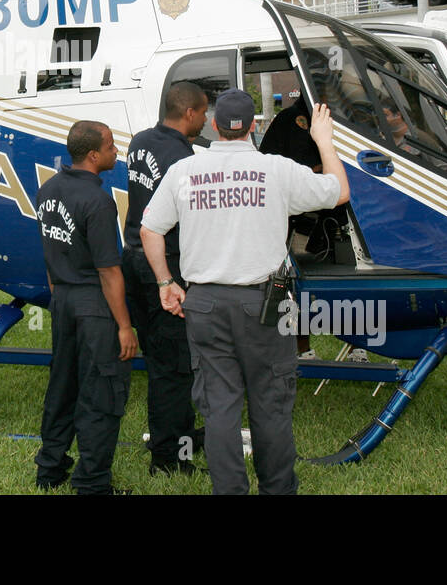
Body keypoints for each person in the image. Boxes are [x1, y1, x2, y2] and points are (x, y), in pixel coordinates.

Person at [140, 90, 349, 495]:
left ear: (213, 126)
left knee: (219, 408)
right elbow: (338, 191)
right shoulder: (276, 169)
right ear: (254, 126)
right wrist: (323, 139)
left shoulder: (185, 170)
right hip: (265, 306)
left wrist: (166, 283)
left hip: (204, 304)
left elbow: (150, 229)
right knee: (270, 406)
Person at [34, 120, 138, 494]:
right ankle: (92, 484)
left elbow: (49, 254)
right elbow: (109, 270)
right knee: (102, 394)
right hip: (94, 306)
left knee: (62, 385)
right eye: (110, 146)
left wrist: (59, 296)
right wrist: (124, 326)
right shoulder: (98, 201)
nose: (116, 151)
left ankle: (50, 468)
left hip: (61, 299)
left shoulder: (47, 190)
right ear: (93, 155)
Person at [122, 81, 209, 475]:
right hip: (163, 267)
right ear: (190, 113)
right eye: (204, 112)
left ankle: (176, 438)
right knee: (174, 369)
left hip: (132, 259)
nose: (206, 119)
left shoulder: (139, 141)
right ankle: (170, 459)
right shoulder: (181, 155)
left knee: (161, 362)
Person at [259, 96, 362, 362]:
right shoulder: (288, 121)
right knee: (293, 284)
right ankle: (302, 348)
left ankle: (358, 345)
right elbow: (274, 164)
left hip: (339, 216)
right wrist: (316, 170)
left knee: (353, 281)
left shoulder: (347, 119)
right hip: (298, 217)